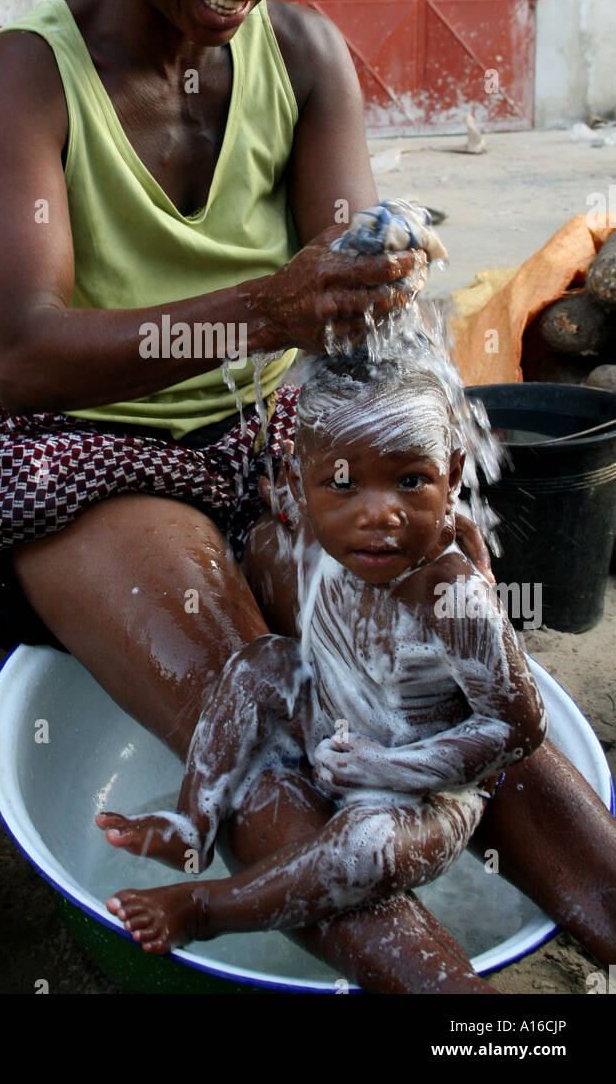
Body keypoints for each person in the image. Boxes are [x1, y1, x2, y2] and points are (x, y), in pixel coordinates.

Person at [0, 0, 616, 993]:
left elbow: (346, 317)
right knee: (249, 717)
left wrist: (415, 457)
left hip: (277, 443)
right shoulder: (26, 77)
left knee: (456, 676)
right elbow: (24, 355)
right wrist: (267, 307)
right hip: (85, 450)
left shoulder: (300, 59)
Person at [97, 351, 547, 965]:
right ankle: (190, 825)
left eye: (413, 481)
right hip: (333, 723)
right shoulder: (319, 528)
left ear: (454, 472)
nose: (378, 513)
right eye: (341, 484)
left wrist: (389, 768)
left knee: (369, 847)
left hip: (428, 794)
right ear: (302, 486)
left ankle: (210, 908)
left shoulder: (453, 599)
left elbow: (518, 727)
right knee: (260, 663)